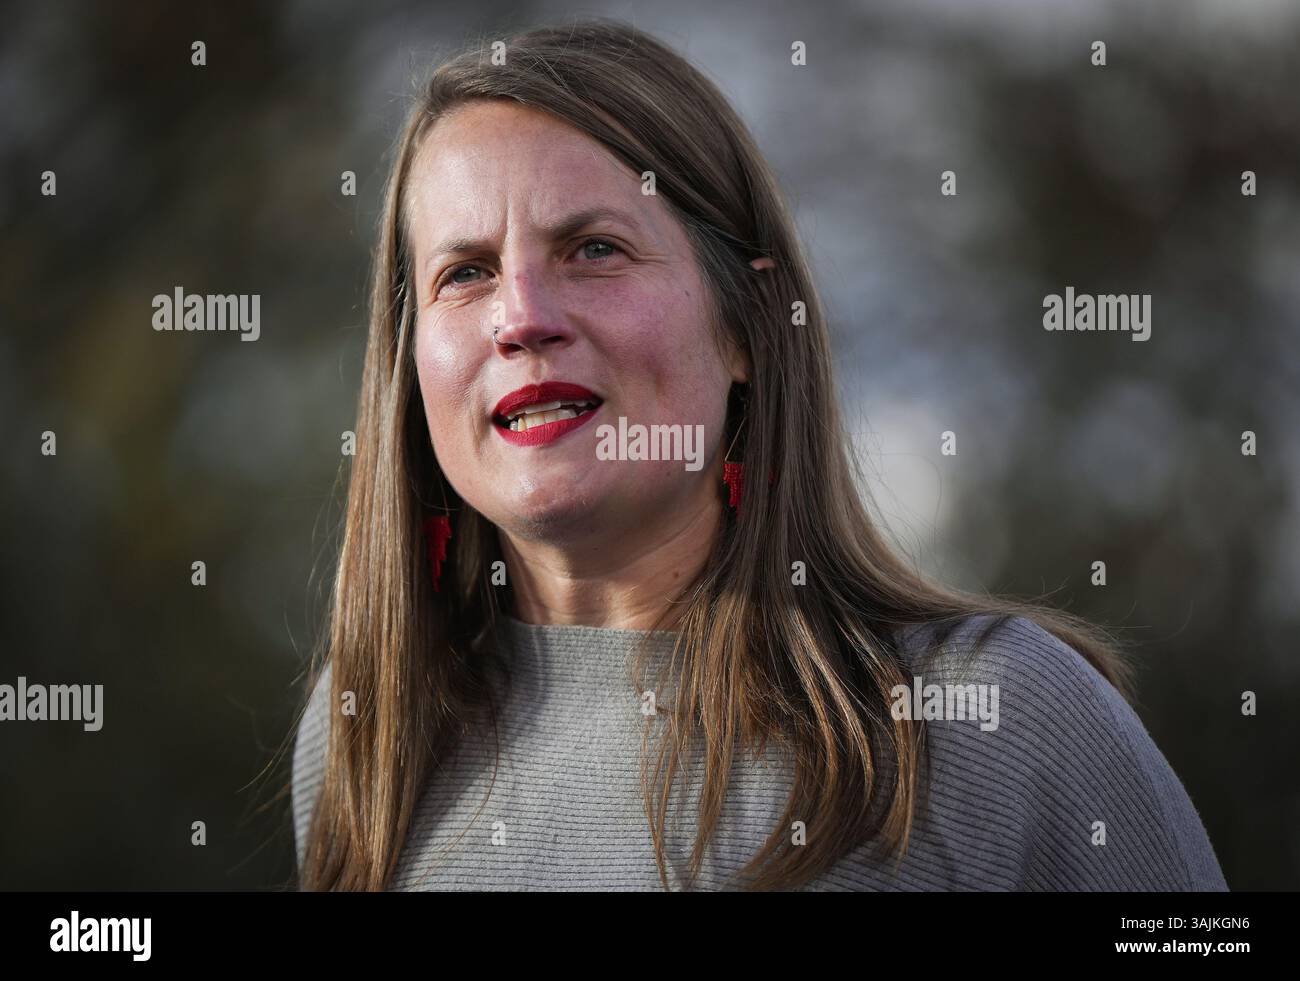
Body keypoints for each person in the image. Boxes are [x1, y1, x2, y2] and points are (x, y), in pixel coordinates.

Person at [292, 19, 1227, 891]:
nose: (523, 317)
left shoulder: (992, 719)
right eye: (466, 272)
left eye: (594, 248)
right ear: (409, 357)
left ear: (746, 325)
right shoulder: (364, 737)